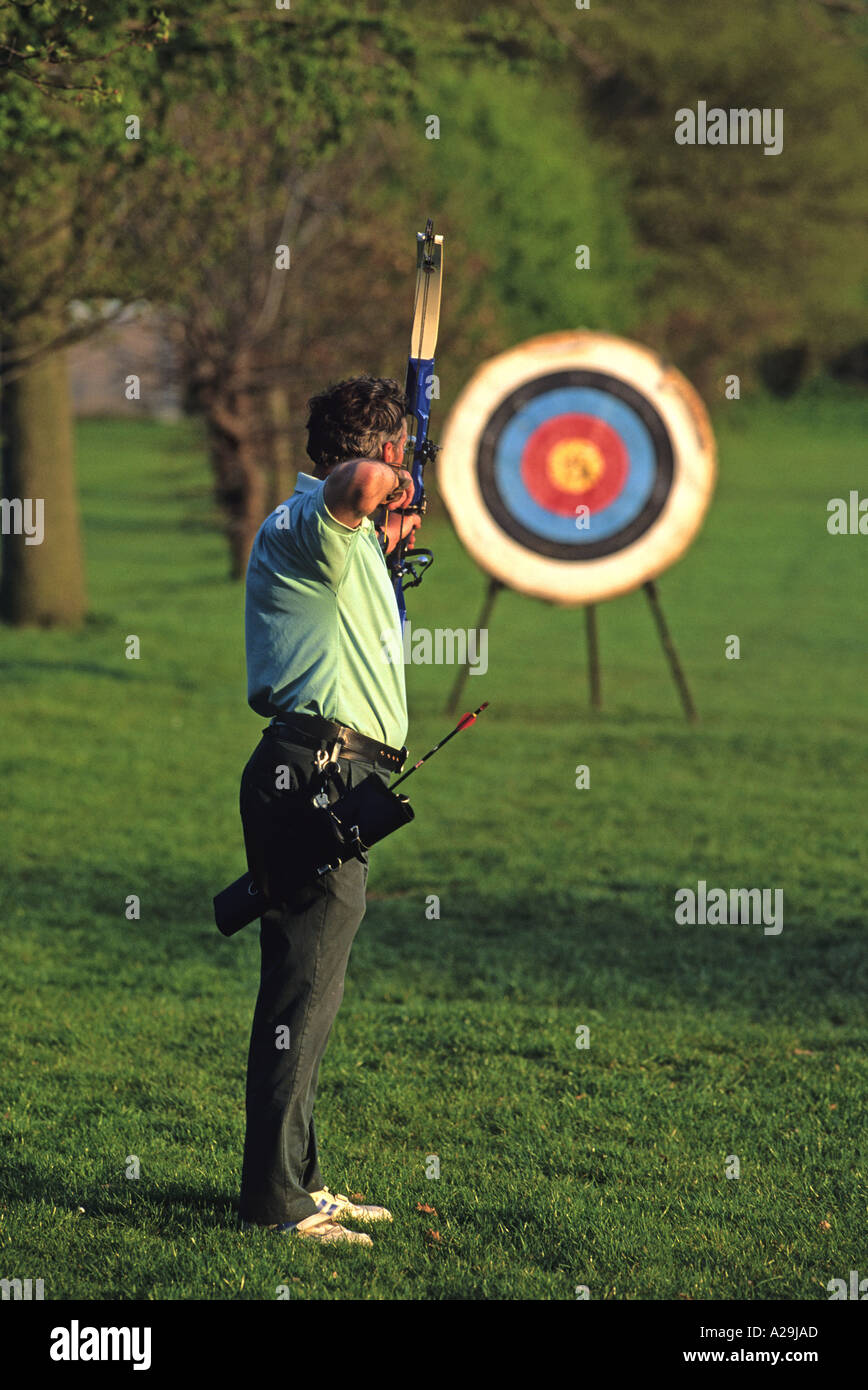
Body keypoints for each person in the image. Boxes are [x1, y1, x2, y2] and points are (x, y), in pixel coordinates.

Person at [237, 375, 421, 1247]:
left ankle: (300, 1183)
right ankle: (275, 1202)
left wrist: (386, 541)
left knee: (313, 990)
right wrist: (390, 479)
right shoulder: (316, 520)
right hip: (314, 773)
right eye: (401, 454)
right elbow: (353, 490)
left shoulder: (333, 542)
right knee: (299, 995)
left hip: (328, 774)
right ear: (380, 453)